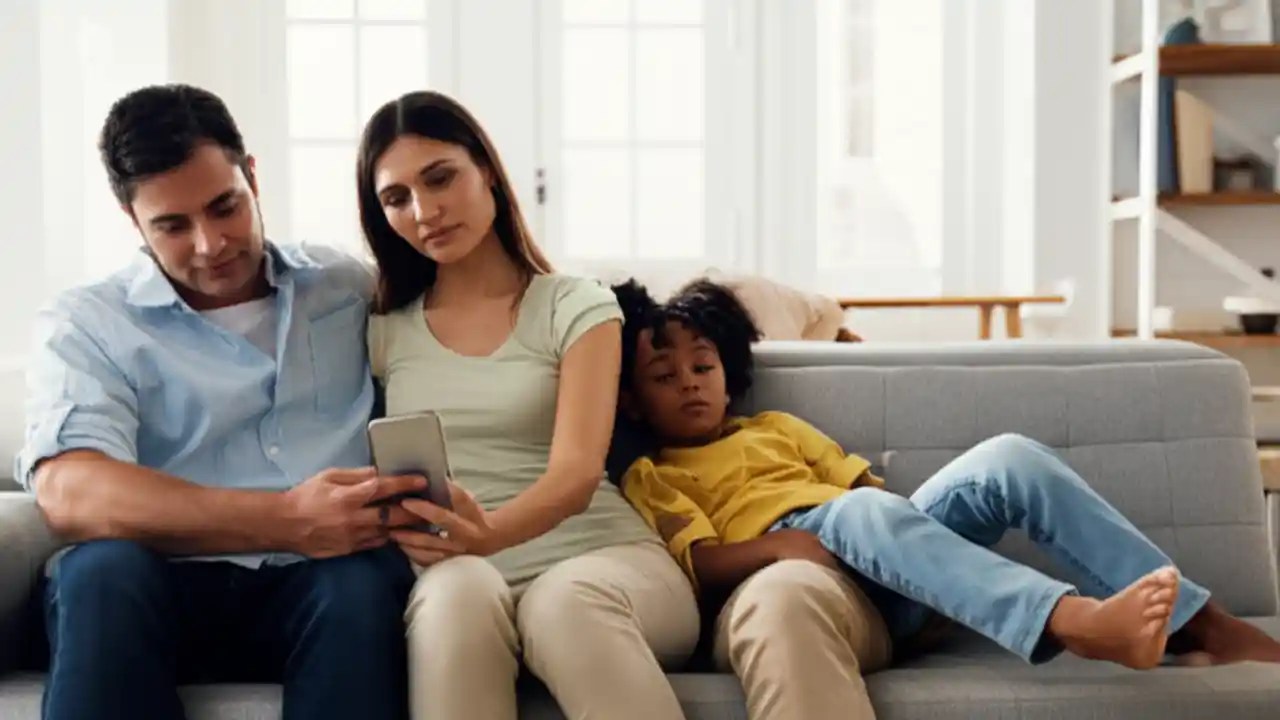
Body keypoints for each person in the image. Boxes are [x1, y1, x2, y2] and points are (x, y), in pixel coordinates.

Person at [610, 277, 1280, 720]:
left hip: (882, 557)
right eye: (665, 377)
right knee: (855, 513)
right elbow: (694, 565)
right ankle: (1074, 623)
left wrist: (902, 544)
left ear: (731, 377)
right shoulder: (655, 472)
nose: (691, 385)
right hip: (806, 580)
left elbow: (866, 494)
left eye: (704, 368)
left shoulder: (777, 429)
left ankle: (1208, 623)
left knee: (1008, 459)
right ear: (635, 400)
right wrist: (782, 545)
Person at [16, 84, 420, 720]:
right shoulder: (89, 321)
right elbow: (71, 495)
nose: (211, 244)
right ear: (132, 219)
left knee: (361, 585)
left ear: (252, 177)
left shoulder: (345, 290)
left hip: (327, 591)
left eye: (224, 206)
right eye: (173, 226)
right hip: (159, 589)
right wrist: (286, 518)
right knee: (99, 572)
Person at [356, 90, 700, 720]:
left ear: (485, 168)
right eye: (396, 197)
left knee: (561, 603)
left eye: (440, 178)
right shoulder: (384, 332)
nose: (424, 210)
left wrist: (485, 534)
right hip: (464, 571)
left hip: (605, 565)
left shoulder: (577, 305)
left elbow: (574, 477)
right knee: (454, 594)